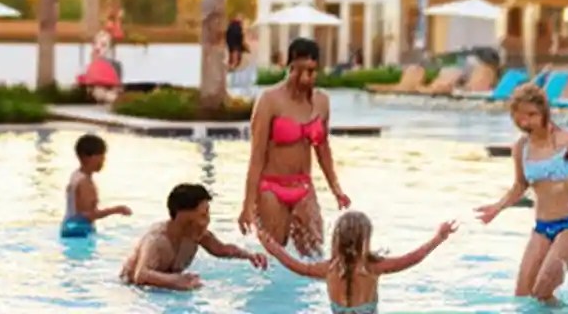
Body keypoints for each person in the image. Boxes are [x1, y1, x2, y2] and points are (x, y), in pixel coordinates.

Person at [475, 83, 568, 303]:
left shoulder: (563, 140)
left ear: (544, 112)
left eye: (531, 114)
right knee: (522, 295)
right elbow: (520, 186)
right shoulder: (521, 147)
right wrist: (497, 208)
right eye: (519, 117)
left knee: (543, 289)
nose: (525, 121)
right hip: (542, 228)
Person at [239, 37, 349, 257]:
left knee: (315, 251)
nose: (309, 77)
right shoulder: (269, 100)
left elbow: (323, 149)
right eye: (303, 70)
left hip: (303, 187)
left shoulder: (321, 102)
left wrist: (336, 189)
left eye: (313, 70)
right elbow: (257, 156)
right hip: (271, 188)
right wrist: (248, 204)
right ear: (291, 67)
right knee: (277, 254)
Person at [258, 211, 457, 314]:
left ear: (337, 239)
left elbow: (296, 266)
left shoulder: (328, 269)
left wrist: (274, 248)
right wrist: (438, 238)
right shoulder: (372, 267)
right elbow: (413, 258)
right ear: (365, 241)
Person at [121, 183, 267, 290]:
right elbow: (141, 275)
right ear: (182, 215)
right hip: (131, 291)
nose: (207, 220)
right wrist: (176, 281)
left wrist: (249, 256)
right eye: (203, 215)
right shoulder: (157, 240)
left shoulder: (196, 235)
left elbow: (221, 249)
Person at [61, 134, 132, 238]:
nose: (103, 160)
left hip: (69, 228)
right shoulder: (85, 183)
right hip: (79, 231)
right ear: (88, 157)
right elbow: (87, 215)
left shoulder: (76, 176)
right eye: (101, 156)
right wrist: (116, 210)